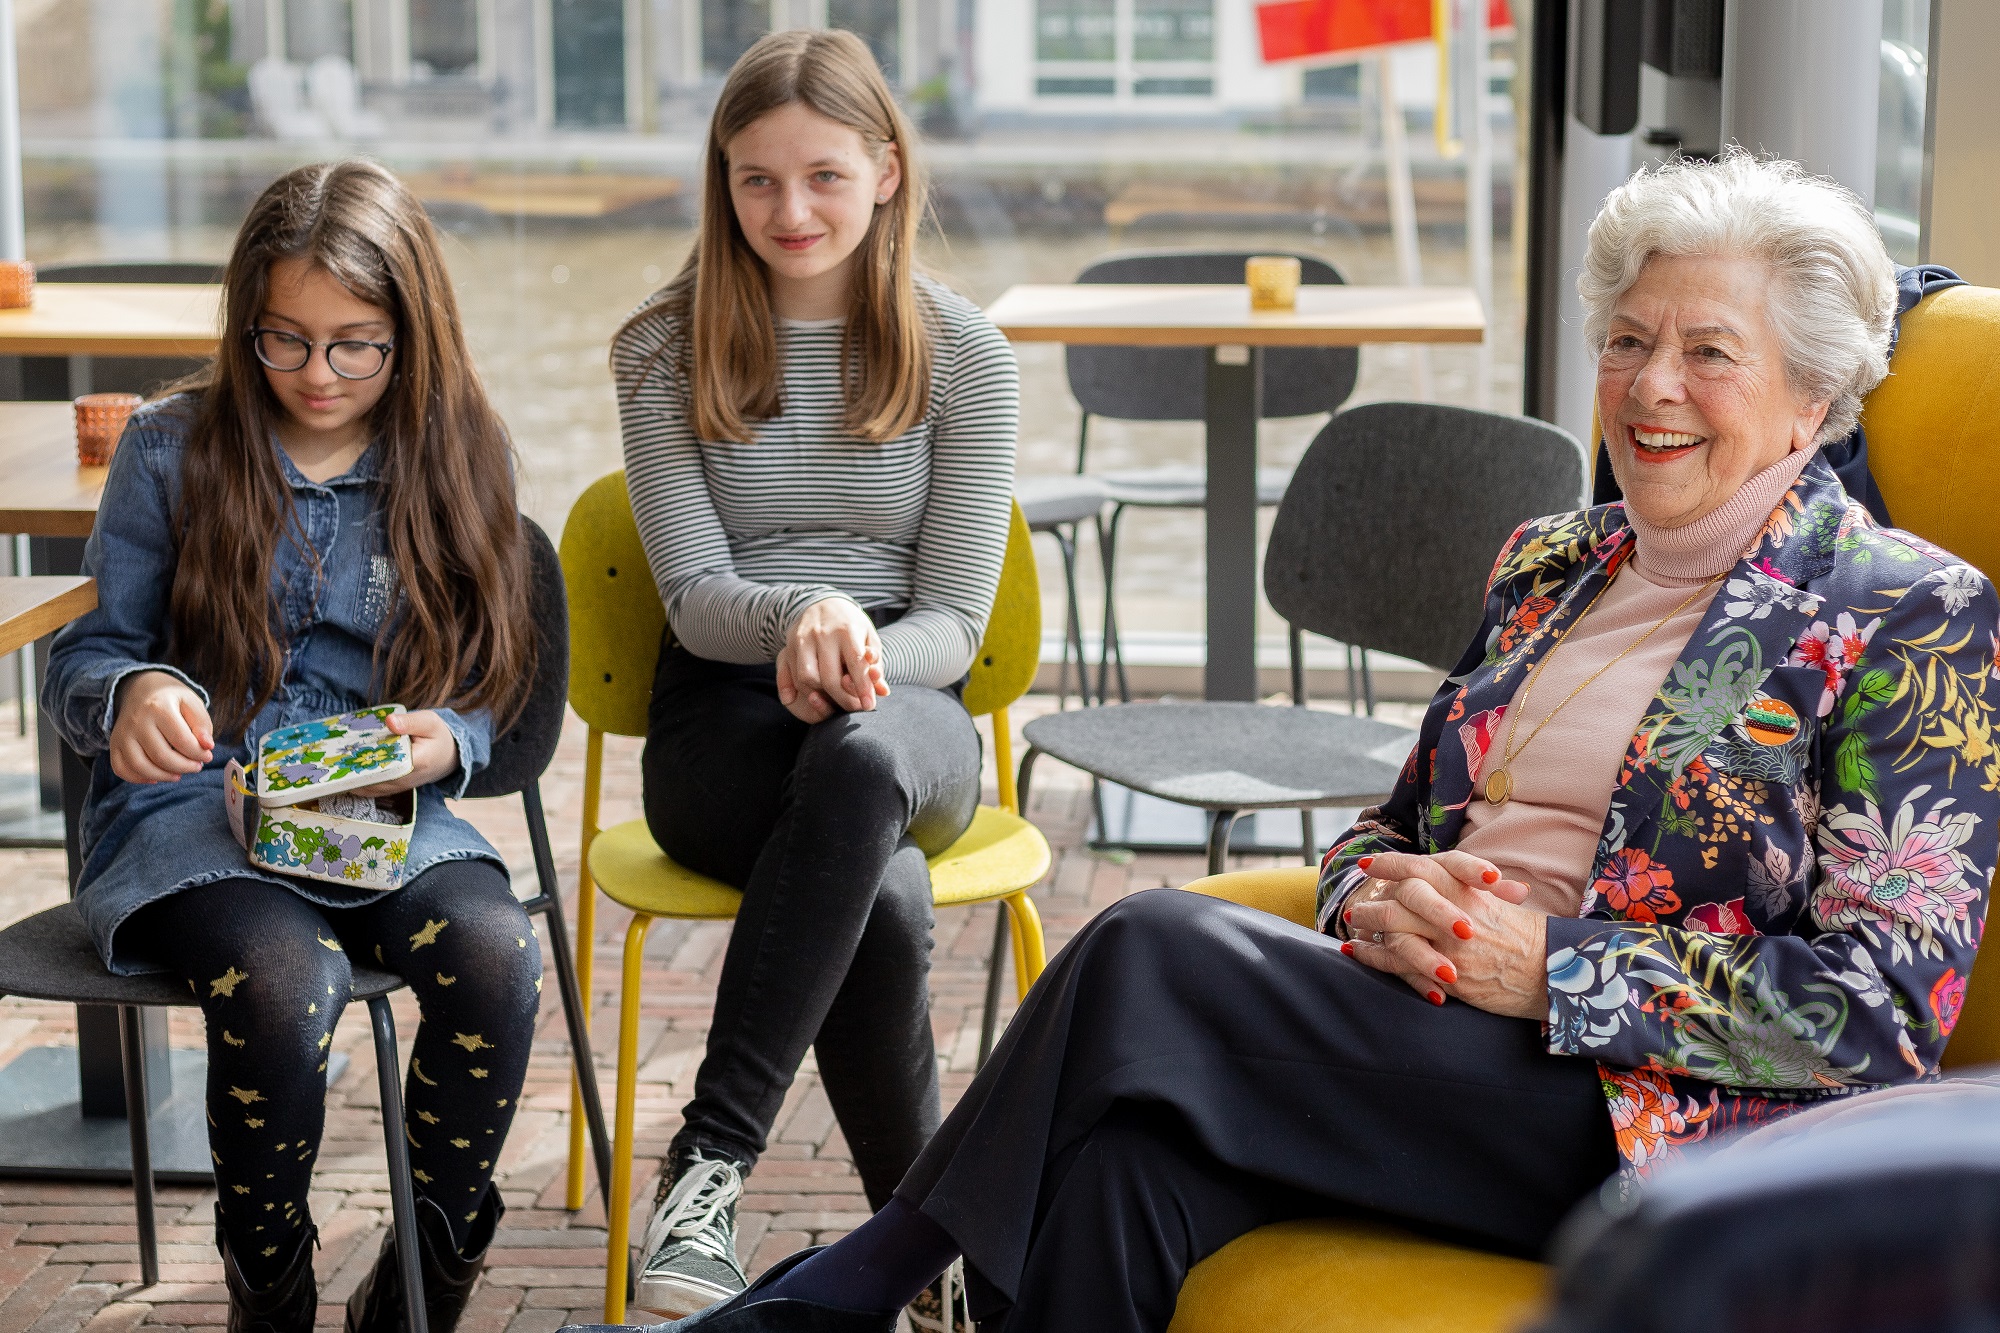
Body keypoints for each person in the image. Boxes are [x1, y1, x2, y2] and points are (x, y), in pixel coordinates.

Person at [561, 150, 2000, 1333]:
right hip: (1422, 1030)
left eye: (1706, 353)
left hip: (1640, 1114)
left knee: (1145, 944)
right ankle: (865, 1292)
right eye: (1626, 341)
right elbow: (1384, 829)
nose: (1648, 385)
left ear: (1812, 396)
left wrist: (1548, 967)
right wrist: (1375, 897)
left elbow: (1882, 1012)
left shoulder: (1906, 615)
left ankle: (845, 1289)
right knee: (1126, 1176)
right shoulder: (1552, 562)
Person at [45, 161, 541, 1333]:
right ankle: (268, 1297)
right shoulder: (169, 447)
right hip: (187, 826)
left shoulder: (459, 448)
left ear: (413, 335)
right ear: (245, 324)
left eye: (357, 346)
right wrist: (132, 692)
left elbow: (492, 681)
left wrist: (447, 738)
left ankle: (419, 1294)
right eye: (285, 340)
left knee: (496, 956)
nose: (318, 374)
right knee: (283, 982)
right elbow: (86, 657)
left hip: (380, 817)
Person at [608, 27, 1018, 1325]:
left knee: (862, 761)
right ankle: (932, 1260)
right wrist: (804, 613)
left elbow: (955, 619)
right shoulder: (660, 349)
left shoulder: (967, 354)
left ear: (886, 172)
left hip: (911, 705)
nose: (790, 209)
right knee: (878, 891)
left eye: (824, 175)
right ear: (721, 182)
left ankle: (708, 1167)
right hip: (719, 716)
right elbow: (692, 598)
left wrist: (854, 653)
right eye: (757, 179)